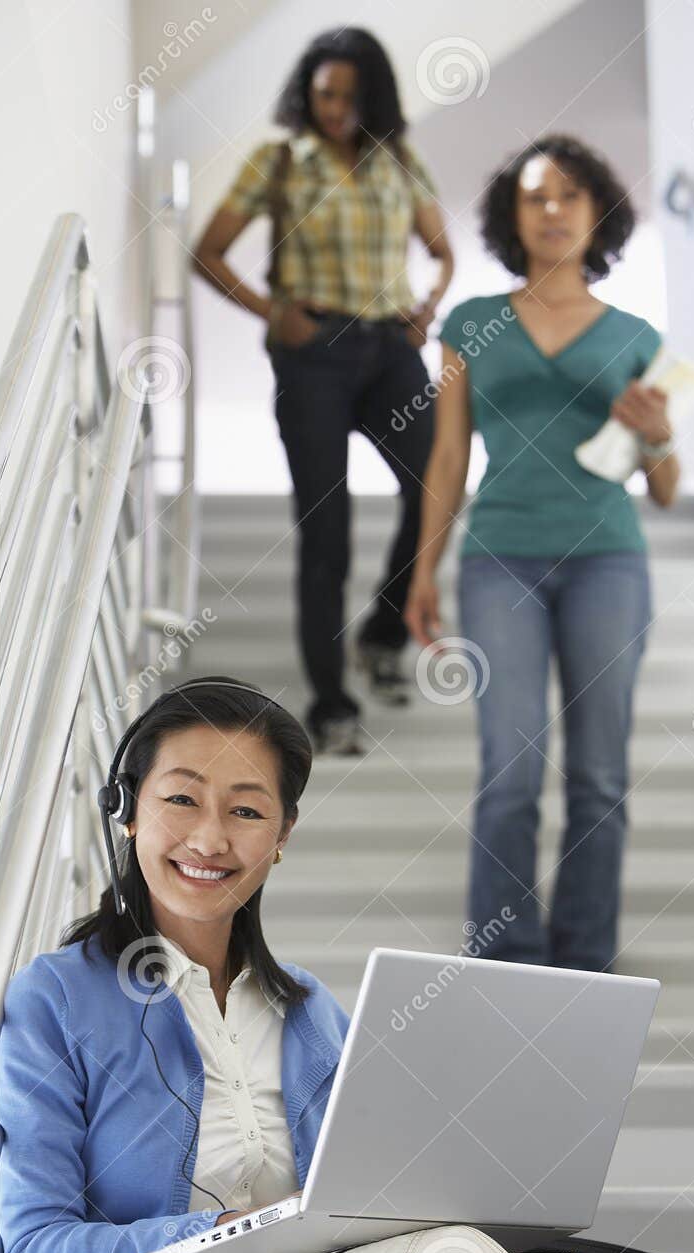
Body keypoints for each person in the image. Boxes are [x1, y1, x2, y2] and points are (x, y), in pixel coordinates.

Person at [0, 675, 643, 1253]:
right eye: (181, 798)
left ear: (282, 837)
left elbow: (367, 1206)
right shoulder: (57, 998)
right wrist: (218, 1243)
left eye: (246, 810)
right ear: (126, 811)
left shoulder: (312, 1015)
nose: (211, 838)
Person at [405, 135, 679, 973]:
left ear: (597, 213)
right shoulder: (471, 323)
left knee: (599, 775)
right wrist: (423, 570)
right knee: (511, 766)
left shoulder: (637, 336)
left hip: (609, 560)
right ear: (510, 216)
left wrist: (660, 439)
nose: (552, 209)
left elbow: (663, 488)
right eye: (535, 196)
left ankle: (586, 958)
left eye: (569, 195)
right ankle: (508, 953)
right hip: (501, 559)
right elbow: (448, 456)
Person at [192, 28, 453, 754]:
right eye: (325, 92)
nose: (336, 107)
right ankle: (331, 700)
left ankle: (383, 631)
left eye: (351, 95)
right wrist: (273, 312)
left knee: (435, 490)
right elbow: (207, 251)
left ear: (376, 97)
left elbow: (442, 251)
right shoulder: (277, 161)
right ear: (307, 91)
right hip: (314, 356)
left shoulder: (398, 160)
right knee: (327, 532)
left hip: (390, 352)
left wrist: (427, 305)